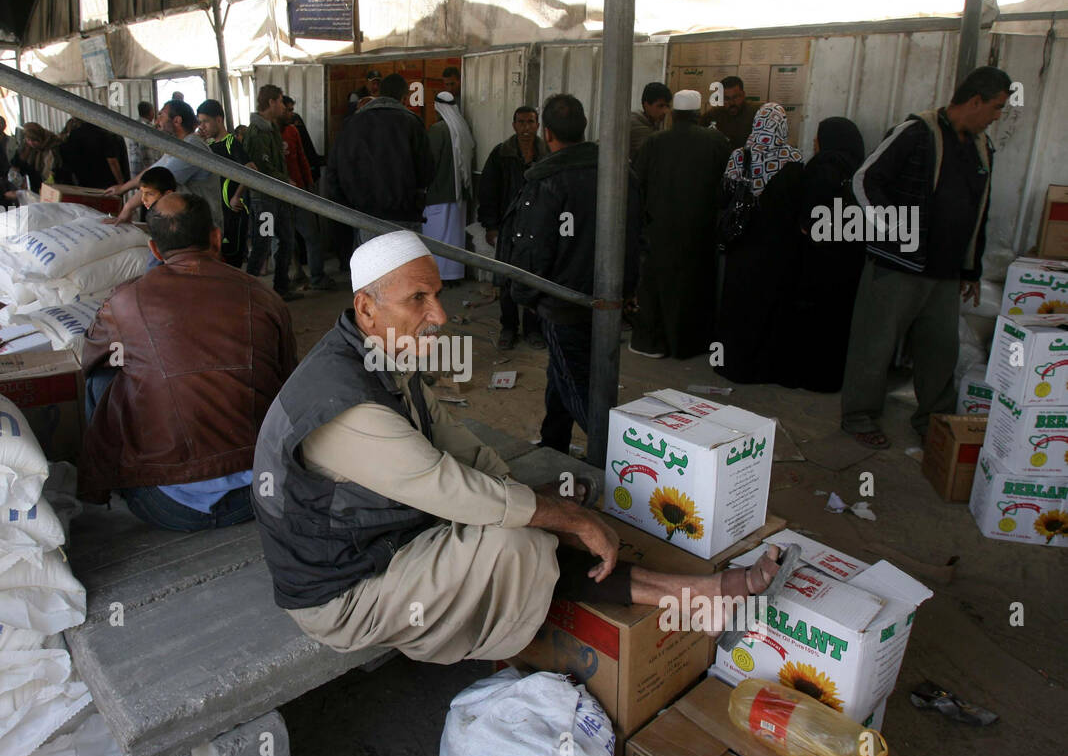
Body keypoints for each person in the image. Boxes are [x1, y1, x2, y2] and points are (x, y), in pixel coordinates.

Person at [251, 229, 787, 664]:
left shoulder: (377, 353)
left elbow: (453, 438)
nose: (439, 315)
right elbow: (452, 489)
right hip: (343, 591)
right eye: (419, 299)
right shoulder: (346, 405)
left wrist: (530, 496)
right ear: (367, 310)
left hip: (384, 538)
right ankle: (694, 596)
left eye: (436, 295)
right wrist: (565, 519)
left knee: (536, 510)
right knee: (518, 544)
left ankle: (695, 595)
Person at [80, 192, 296, 531]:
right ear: (215, 237)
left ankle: (100, 491)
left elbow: (88, 358)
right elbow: (288, 379)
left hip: (165, 504)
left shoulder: (124, 301)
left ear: (153, 249)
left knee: (102, 378)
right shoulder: (264, 296)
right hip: (262, 492)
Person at [840, 66, 1009, 448]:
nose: (998, 117)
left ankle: (933, 419)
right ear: (975, 101)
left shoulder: (982, 148)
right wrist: (894, 230)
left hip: (946, 272)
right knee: (875, 344)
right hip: (898, 267)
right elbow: (864, 180)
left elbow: (978, 209)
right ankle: (859, 415)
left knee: (940, 351)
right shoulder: (916, 133)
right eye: (996, 107)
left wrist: (971, 269)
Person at [506, 94, 639, 455]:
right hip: (607, 299)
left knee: (578, 386)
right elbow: (637, 232)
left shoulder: (547, 179)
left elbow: (534, 247)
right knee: (561, 372)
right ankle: (554, 442)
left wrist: (523, 294)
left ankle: (617, 462)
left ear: (547, 133)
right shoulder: (616, 169)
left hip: (564, 302)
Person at [629, 89, 733, 359]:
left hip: (659, 229)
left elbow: (637, 183)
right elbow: (727, 187)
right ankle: (690, 345)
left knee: (657, 286)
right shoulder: (717, 141)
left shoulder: (655, 142)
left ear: (674, 115)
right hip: (700, 230)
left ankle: (652, 344)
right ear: (698, 115)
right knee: (693, 286)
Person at [716, 103, 806, 385]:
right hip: (778, 251)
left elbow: (724, 200)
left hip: (742, 246)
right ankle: (764, 368)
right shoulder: (793, 160)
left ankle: (732, 365)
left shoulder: (738, 157)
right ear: (782, 127)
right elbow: (797, 208)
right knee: (769, 306)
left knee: (738, 306)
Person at [783, 117, 867, 393]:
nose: (814, 143)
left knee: (813, 319)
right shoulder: (861, 169)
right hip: (850, 258)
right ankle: (832, 378)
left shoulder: (822, 168)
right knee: (838, 320)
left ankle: (810, 376)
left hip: (819, 260)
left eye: (818, 137)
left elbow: (808, 219)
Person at [324, 72, 434, 243]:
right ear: (404, 98)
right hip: (404, 218)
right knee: (402, 266)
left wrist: (348, 208)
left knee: (371, 265)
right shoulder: (412, 123)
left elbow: (334, 169)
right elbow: (426, 172)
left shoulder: (353, 123)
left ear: (379, 93)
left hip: (364, 216)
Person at [479, 105, 547, 351]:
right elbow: (488, 191)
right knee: (507, 281)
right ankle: (509, 327)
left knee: (536, 280)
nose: (526, 127)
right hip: (508, 229)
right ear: (514, 125)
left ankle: (532, 329)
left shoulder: (546, 154)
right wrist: (491, 226)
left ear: (538, 125)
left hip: (537, 229)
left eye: (530, 122)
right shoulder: (501, 153)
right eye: (521, 122)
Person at [105, 100, 220, 228]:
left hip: (200, 228)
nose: (156, 121)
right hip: (185, 223)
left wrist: (128, 208)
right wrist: (123, 188)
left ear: (177, 121)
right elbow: (153, 171)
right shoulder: (178, 145)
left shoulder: (191, 147)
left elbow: (157, 181)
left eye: (161, 115)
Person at [241, 85, 301, 301]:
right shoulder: (256, 133)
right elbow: (262, 167)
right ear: (271, 103)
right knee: (263, 241)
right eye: (281, 101)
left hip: (279, 196)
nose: (284, 106)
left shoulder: (272, 129)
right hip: (264, 199)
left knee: (286, 239)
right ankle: (249, 292)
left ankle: (281, 288)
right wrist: (286, 180)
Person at [280, 97, 335, 290]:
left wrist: (309, 185)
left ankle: (317, 275)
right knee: (282, 239)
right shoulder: (264, 134)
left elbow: (303, 158)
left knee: (312, 235)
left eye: (292, 109)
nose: (292, 113)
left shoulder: (293, 130)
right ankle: (293, 273)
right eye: (287, 109)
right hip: (277, 197)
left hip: (300, 193)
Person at [423, 91, 474, 284]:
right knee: (453, 237)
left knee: (437, 236)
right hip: (459, 195)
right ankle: (454, 275)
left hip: (439, 194)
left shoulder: (438, 129)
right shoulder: (462, 128)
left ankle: (441, 276)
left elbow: (430, 163)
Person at [196, 99, 249, 268]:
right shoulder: (209, 145)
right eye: (199, 122)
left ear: (219, 120)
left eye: (205, 121)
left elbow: (251, 170)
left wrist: (237, 196)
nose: (202, 126)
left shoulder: (231, 143)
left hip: (234, 212)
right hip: (216, 212)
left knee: (233, 257)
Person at [58, 118, 124, 189]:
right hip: (106, 184)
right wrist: (121, 184)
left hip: (83, 184)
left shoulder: (74, 135)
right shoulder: (105, 134)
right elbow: (112, 162)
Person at [700, 75, 758, 150]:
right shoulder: (712, 115)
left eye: (735, 97)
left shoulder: (756, 113)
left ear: (743, 95)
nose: (732, 103)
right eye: (726, 99)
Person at [281, 95, 322, 181]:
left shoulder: (293, 128)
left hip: (297, 180)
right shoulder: (269, 132)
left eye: (292, 110)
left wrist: (310, 176)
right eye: (289, 110)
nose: (292, 114)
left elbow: (305, 148)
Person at [13, 122, 63, 192]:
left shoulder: (54, 147)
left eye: (34, 140)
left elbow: (56, 170)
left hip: (52, 188)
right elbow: (18, 166)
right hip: (34, 188)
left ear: (40, 137)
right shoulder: (26, 148)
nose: (31, 143)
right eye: (28, 140)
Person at [629, 82, 672, 162]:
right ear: (646, 105)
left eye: (667, 106)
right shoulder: (636, 125)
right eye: (660, 106)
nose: (665, 111)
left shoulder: (653, 123)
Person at [127, 100, 162, 177]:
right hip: (145, 168)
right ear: (150, 112)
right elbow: (145, 151)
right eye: (153, 111)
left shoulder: (135, 124)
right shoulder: (145, 127)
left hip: (136, 166)